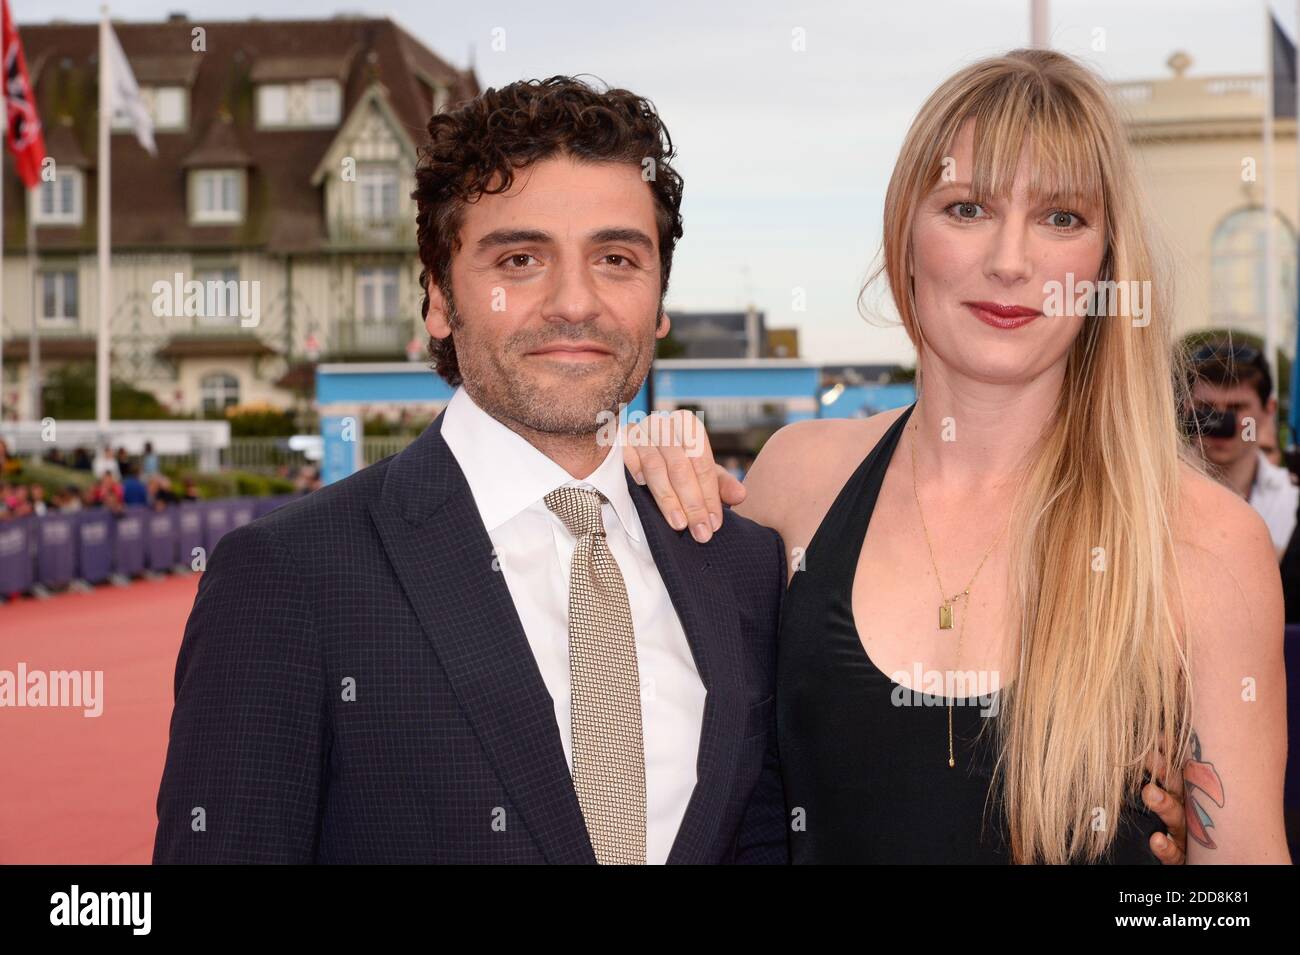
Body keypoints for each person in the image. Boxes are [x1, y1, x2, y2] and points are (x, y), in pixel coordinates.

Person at [626, 49, 1283, 863]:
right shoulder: (799, 478)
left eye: (1061, 218)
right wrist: (642, 456)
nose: (1011, 260)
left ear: (1106, 266)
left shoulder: (1205, 542)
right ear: (906, 234)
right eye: (968, 208)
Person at [153, 76, 787, 864]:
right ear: (439, 300)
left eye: (617, 257)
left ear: (659, 299)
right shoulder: (291, 576)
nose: (574, 302)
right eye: (520, 259)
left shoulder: (740, 563)